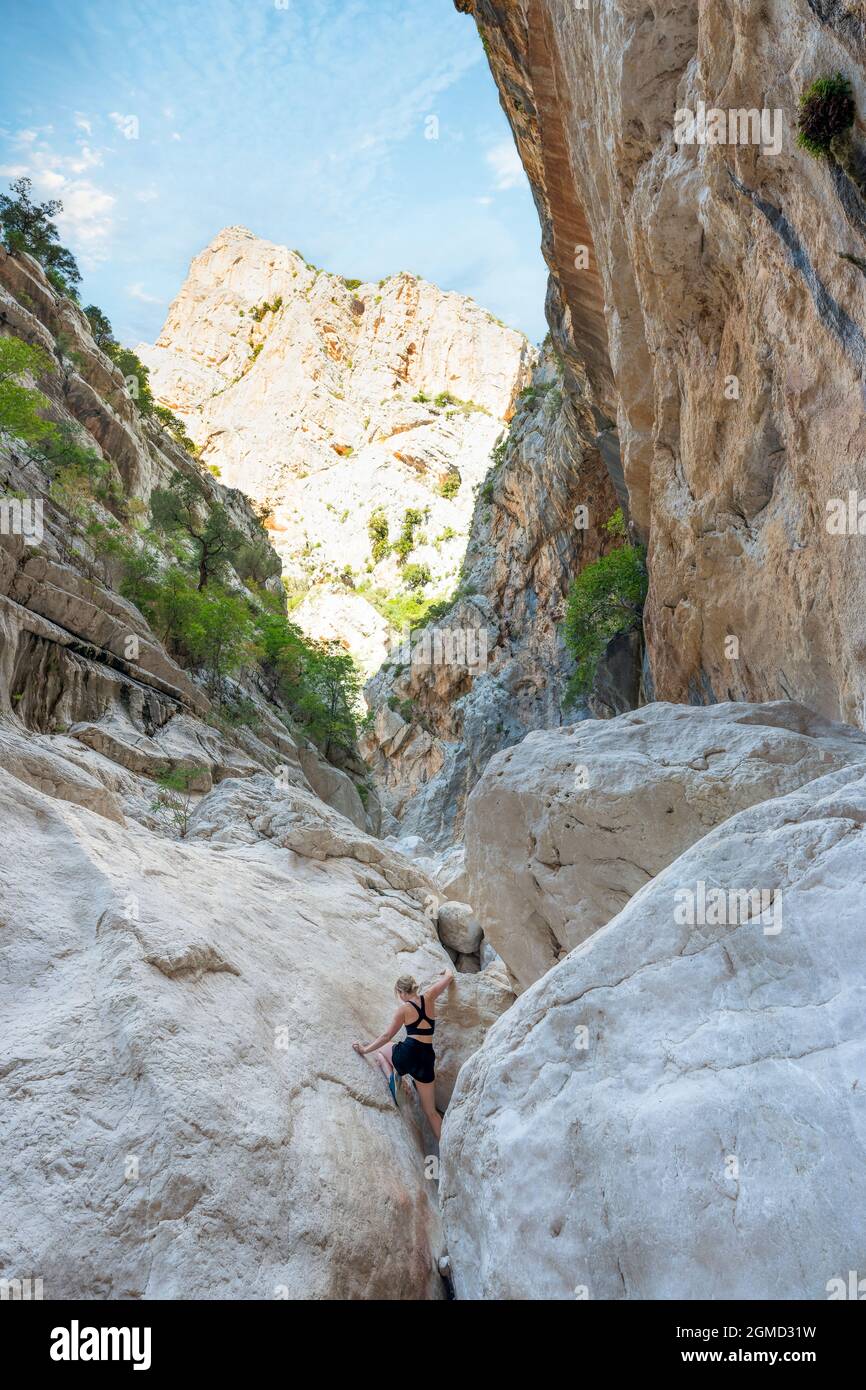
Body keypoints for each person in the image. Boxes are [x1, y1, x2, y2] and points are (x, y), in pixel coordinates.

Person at [353, 968, 454, 1140]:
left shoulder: (404, 1010)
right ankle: (447, 1150)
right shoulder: (430, 996)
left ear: (401, 992)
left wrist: (364, 1049)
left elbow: (386, 1036)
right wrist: (445, 971)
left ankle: (393, 1077)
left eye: (398, 993)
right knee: (431, 1112)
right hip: (426, 1059)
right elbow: (449, 976)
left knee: (380, 1052)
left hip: (408, 1054)